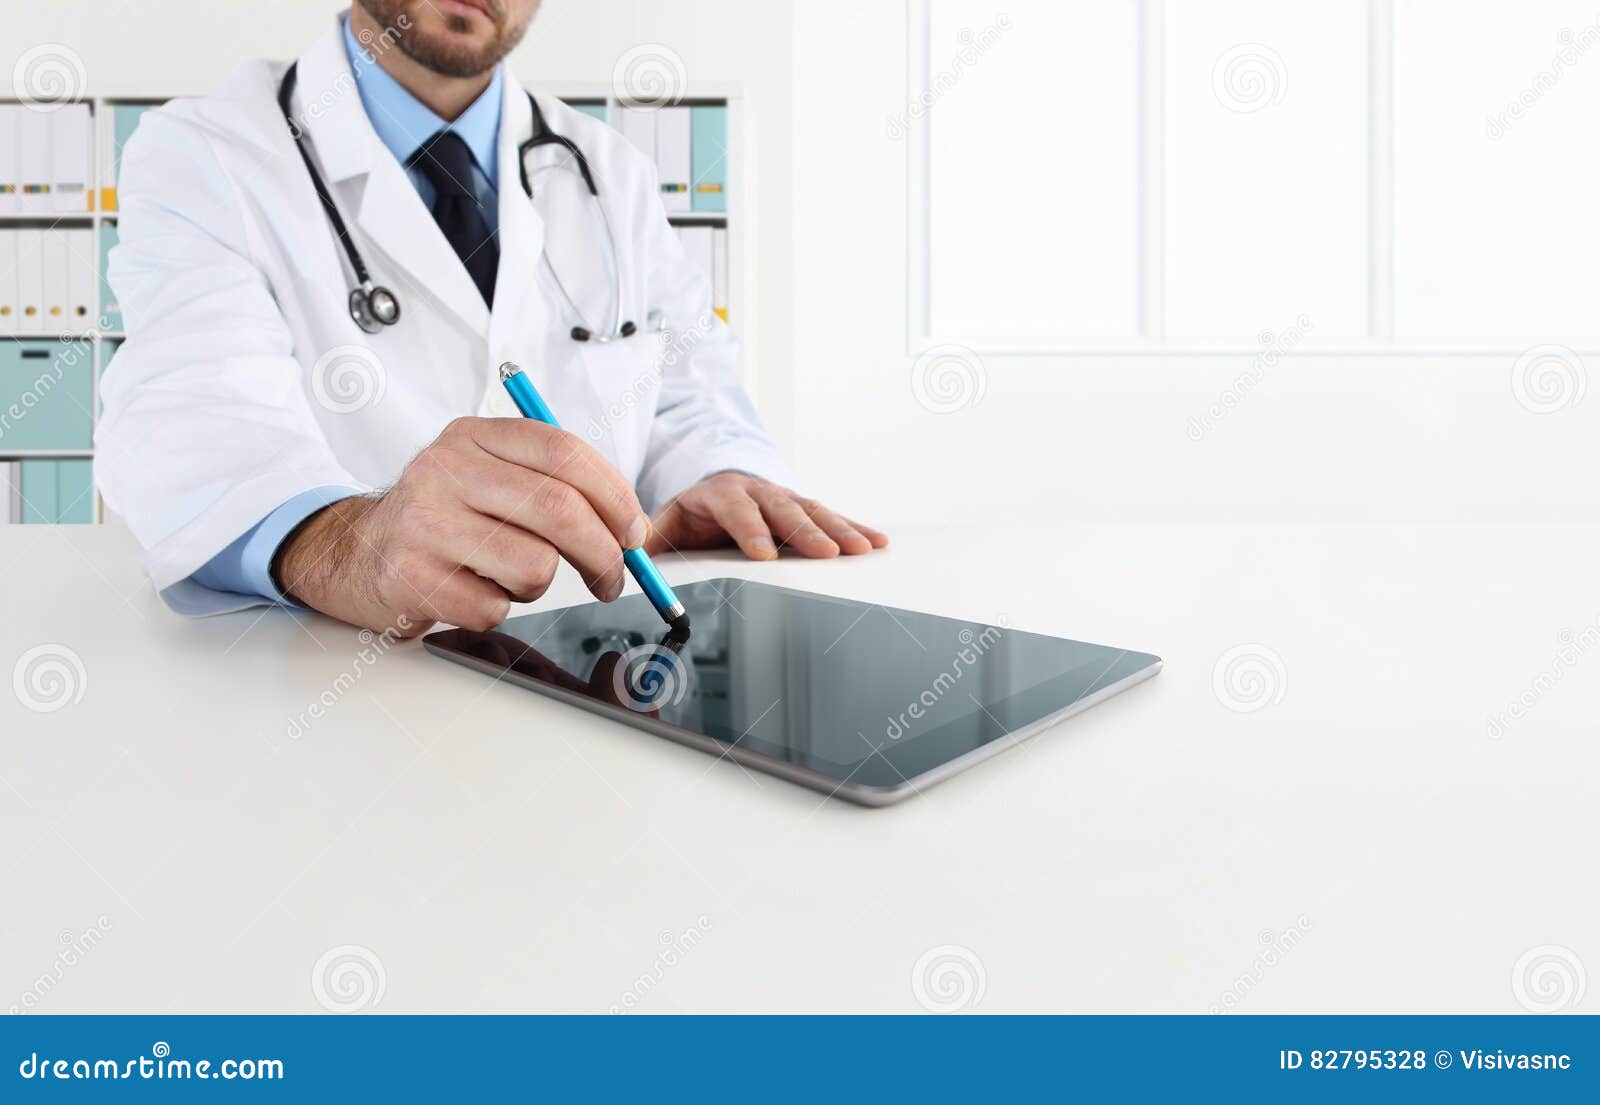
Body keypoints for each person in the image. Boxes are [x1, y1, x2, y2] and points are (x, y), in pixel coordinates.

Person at [98, 0, 884, 635]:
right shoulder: (206, 153)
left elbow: (687, 383)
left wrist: (720, 471)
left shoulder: (610, 170)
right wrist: (350, 547)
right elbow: (192, 417)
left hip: (590, 676)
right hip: (336, 701)